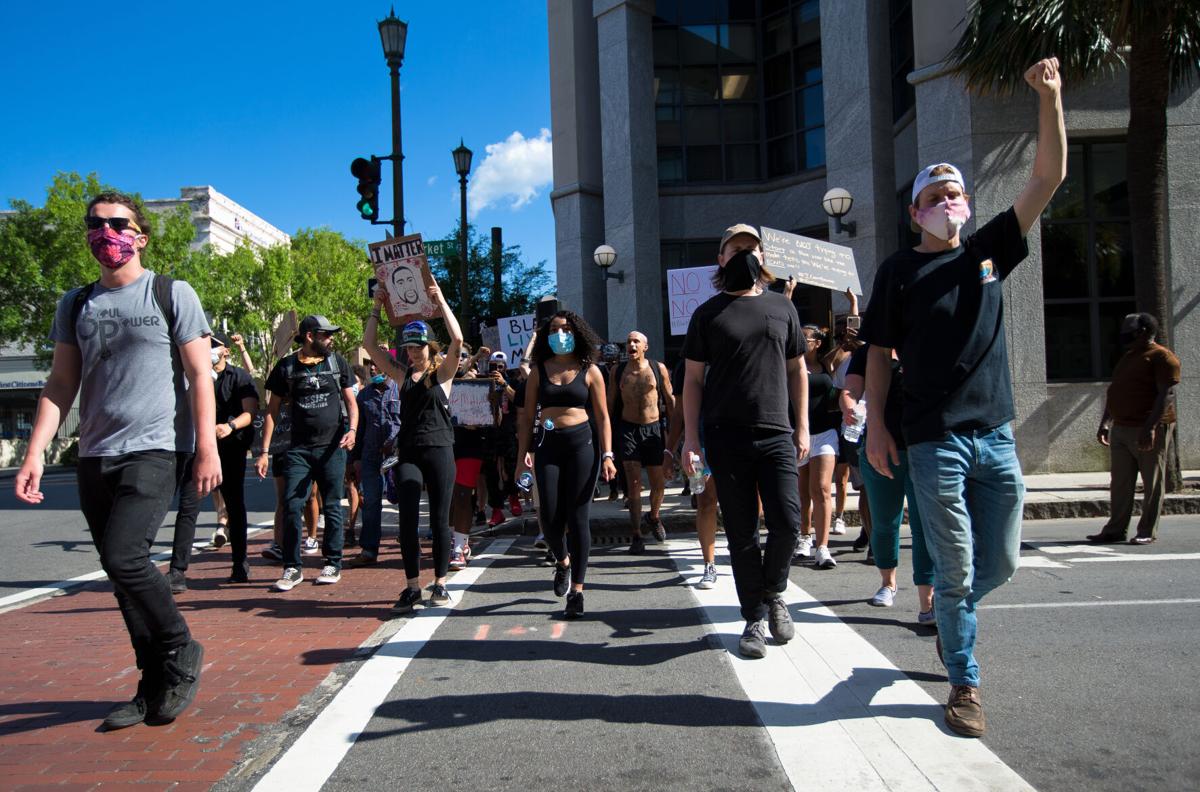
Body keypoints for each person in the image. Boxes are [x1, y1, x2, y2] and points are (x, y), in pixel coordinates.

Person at [861, 58, 1066, 737]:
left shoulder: (985, 255)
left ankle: (953, 613)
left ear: (968, 206)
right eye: (934, 196)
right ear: (915, 211)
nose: (948, 203)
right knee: (953, 565)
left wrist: (1051, 97)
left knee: (998, 562)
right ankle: (965, 682)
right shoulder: (897, 272)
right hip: (932, 439)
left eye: (956, 194)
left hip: (995, 434)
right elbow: (880, 354)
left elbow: (1048, 177)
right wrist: (879, 431)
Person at [14, 191, 218, 729]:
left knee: (128, 557)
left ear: (140, 235)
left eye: (117, 223)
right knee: (120, 576)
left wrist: (208, 448)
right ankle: (152, 686)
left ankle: (180, 648)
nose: (105, 232)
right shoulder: (75, 304)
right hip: (94, 453)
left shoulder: (171, 293)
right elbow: (60, 384)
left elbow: (201, 375)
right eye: (94, 224)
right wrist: (35, 452)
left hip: (153, 448)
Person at [681, 223, 809, 659]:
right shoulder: (707, 314)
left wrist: (803, 426)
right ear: (721, 258)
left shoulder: (782, 308)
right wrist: (690, 440)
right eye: (736, 249)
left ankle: (774, 591)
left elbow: (797, 372)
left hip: (776, 432)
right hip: (724, 434)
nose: (744, 255)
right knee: (740, 532)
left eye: (751, 249)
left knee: (789, 521)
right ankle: (754, 616)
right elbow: (693, 381)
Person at [363, 280, 464, 613]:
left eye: (417, 347)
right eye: (407, 348)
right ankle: (411, 587)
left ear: (427, 346)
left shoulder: (443, 374)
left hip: (439, 449)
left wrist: (441, 300)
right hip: (409, 451)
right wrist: (377, 306)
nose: (411, 353)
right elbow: (369, 345)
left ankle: (440, 583)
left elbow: (458, 339)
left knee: (438, 519)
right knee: (407, 517)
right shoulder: (401, 375)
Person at [515, 311, 618, 619]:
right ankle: (562, 562)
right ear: (548, 335)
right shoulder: (538, 371)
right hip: (548, 445)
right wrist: (523, 455)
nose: (561, 333)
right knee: (548, 515)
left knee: (578, 518)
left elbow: (602, 417)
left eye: (567, 329)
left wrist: (609, 455)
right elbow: (526, 417)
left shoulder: (590, 370)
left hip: (582, 444)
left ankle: (577, 591)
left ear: (578, 333)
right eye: (556, 329)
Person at [256, 315, 358, 591]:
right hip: (297, 450)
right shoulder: (287, 367)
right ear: (310, 336)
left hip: (332, 448)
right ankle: (291, 567)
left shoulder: (337, 363)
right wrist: (264, 451)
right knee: (291, 504)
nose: (331, 339)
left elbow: (351, 401)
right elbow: (272, 411)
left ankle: (333, 563)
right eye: (326, 334)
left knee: (333, 506)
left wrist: (353, 431)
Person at [845, 345, 934, 621]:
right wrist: (849, 407)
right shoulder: (867, 353)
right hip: (879, 449)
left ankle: (927, 601)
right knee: (885, 523)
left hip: (924, 448)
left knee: (923, 526)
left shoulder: (923, 343)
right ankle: (888, 583)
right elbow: (849, 392)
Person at [1087, 313, 1180, 545]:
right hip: (1121, 427)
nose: (1124, 338)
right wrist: (1106, 422)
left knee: (1152, 482)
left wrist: (1150, 428)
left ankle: (1147, 531)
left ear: (1145, 332)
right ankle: (1115, 529)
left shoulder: (1163, 357)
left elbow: (1166, 395)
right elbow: (1115, 390)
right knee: (1120, 482)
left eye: (1130, 334)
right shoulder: (1129, 356)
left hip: (1147, 428)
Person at [609, 331, 675, 554]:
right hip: (628, 430)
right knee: (634, 484)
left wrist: (676, 432)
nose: (631, 344)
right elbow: (609, 406)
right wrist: (607, 440)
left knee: (658, 483)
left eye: (636, 341)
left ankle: (654, 516)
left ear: (645, 346)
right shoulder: (617, 371)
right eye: (628, 341)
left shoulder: (658, 368)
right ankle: (637, 534)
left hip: (653, 430)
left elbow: (670, 399)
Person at [207, 332, 259, 583]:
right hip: (200, 447)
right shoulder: (195, 377)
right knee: (187, 503)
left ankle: (240, 562)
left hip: (231, 447)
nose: (209, 350)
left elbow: (251, 411)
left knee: (234, 501)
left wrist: (231, 426)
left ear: (225, 351)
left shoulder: (238, 376)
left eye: (214, 346)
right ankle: (177, 569)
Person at [345, 357, 402, 566]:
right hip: (370, 457)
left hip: (396, 457)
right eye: (372, 365)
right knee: (371, 503)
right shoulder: (363, 395)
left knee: (403, 500)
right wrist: (353, 461)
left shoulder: (400, 389)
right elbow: (358, 431)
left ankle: (406, 542)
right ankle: (369, 549)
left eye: (379, 364)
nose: (375, 367)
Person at [797, 324, 841, 569]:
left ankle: (822, 547)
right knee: (803, 492)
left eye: (806, 338)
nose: (801, 341)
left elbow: (851, 344)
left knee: (822, 489)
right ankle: (804, 536)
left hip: (825, 433)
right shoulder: (790, 362)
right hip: (798, 434)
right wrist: (789, 295)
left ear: (817, 342)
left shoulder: (828, 363)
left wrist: (854, 304)